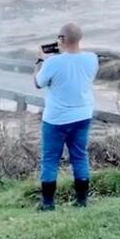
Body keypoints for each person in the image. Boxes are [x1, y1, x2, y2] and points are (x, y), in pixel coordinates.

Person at [33, 22, 98, 210]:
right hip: (83, 115)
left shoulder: (52, 62)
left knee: (50, 159)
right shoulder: (92, 58)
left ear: (61, 39)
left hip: (56, 119)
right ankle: (82, 200)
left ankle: (47, 203)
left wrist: (39, 61)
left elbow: (38, 83)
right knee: (79, 156)